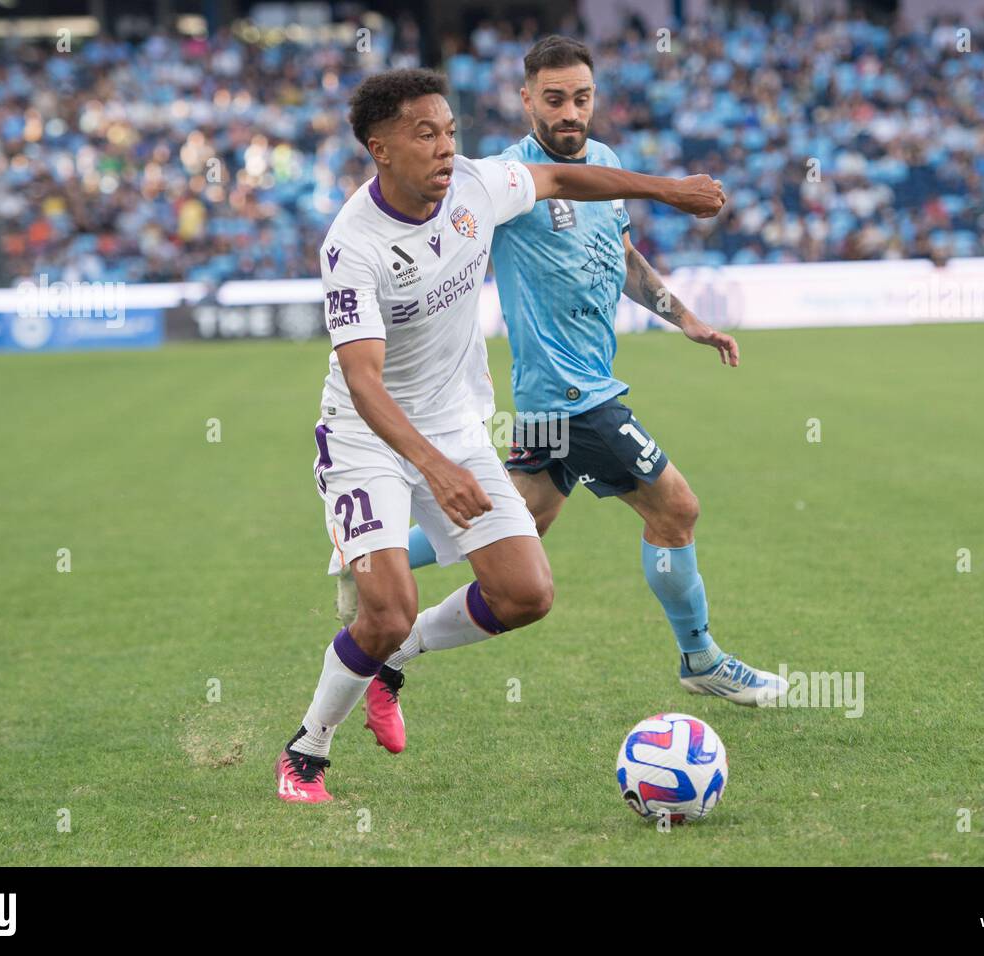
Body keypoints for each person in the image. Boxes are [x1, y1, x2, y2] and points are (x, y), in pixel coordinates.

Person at [279, 67, 725, 803]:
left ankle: (391, 665)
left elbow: (560, 179)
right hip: (368, 437)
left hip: (454, 424)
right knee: (384, 608)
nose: (446, 147)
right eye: (425, 135)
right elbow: (363, 381)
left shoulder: (478, 188)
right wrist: (432, 465)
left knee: (525, 594)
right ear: (379, 148)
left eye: (450, 130)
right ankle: (306, 753)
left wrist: (668, 190)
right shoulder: (352, 246)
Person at [338, 39, 787, 759]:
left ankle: (366, 578)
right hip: (573, 395)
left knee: (514, 522)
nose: (571, 112)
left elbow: (625, 259)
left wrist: (685, 318)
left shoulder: (600, 163)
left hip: (557, 400)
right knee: (677, 509)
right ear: (526, 100)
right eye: (554, 99)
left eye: (581, 97)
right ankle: (700, 661)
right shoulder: (506, 180)